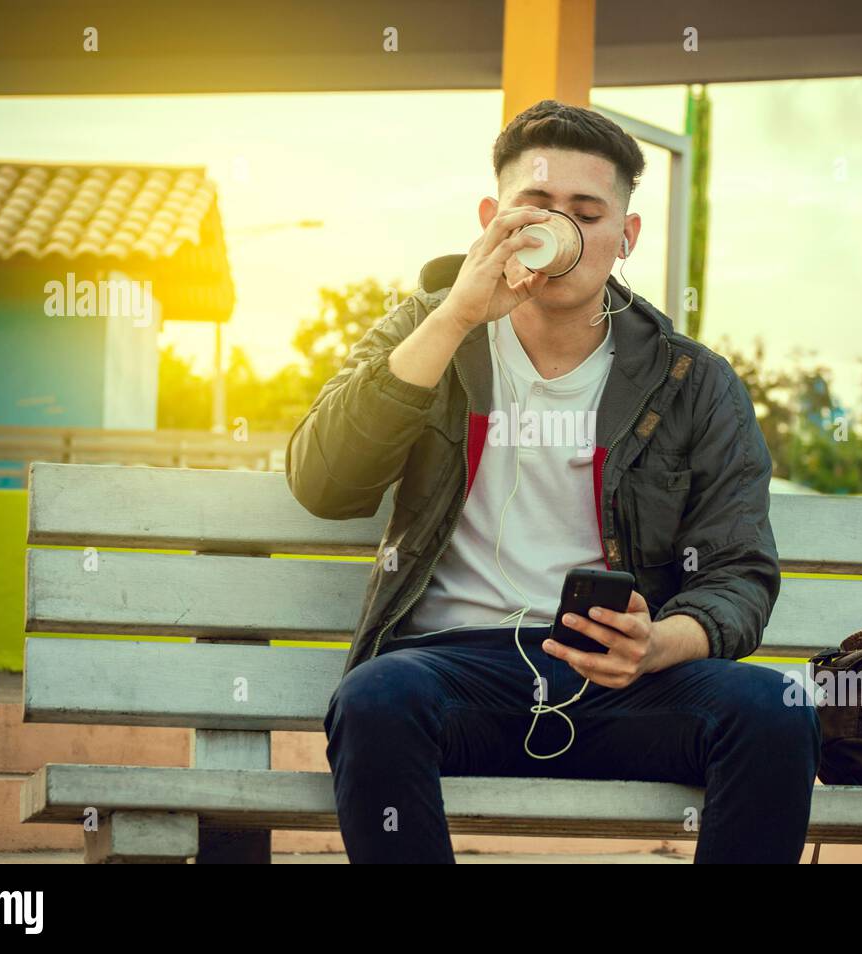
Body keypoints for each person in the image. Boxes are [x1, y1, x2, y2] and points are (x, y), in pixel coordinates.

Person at [286, 99, 820, 863]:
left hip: (620, 681)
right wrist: (455, 316)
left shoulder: (690, 380)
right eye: (533, 207)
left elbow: (738, 572)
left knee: (778, 709)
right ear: (490, 218)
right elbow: (322, 483)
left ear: (625, 237)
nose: (556, 229)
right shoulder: (423, 333)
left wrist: (659, 642)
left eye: (586, 212)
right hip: (452, 670)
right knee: (374, 699)